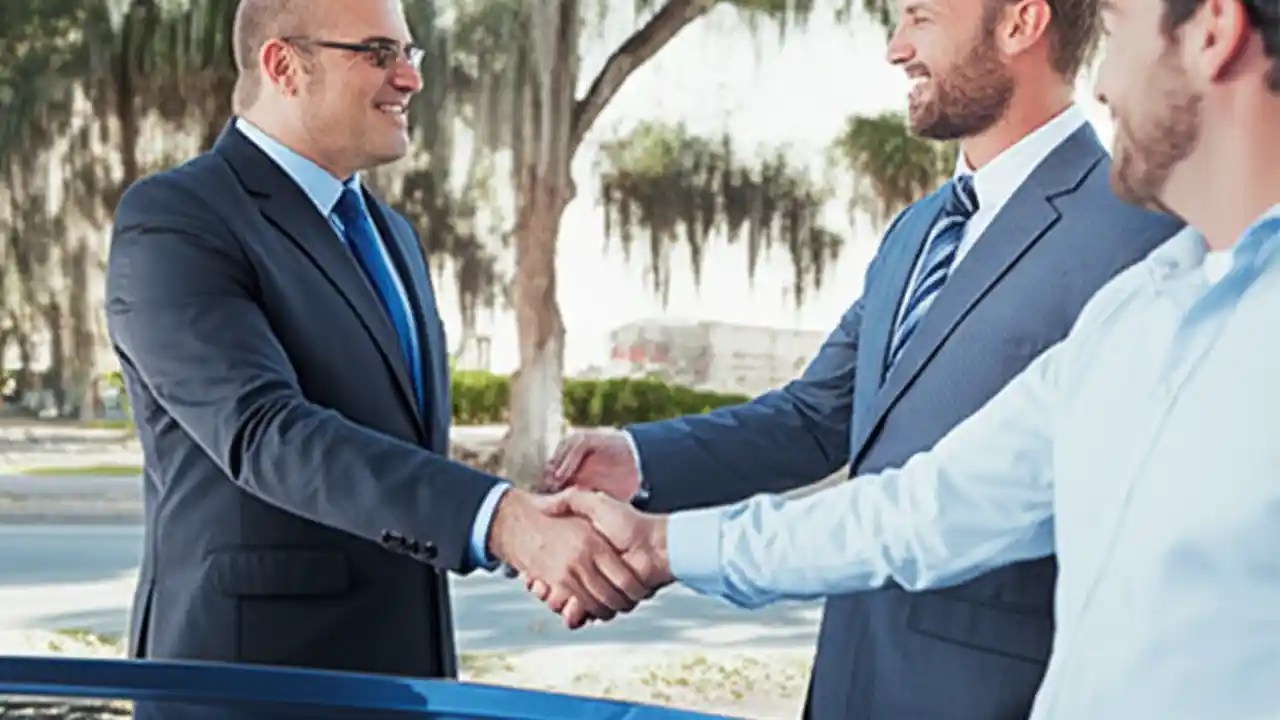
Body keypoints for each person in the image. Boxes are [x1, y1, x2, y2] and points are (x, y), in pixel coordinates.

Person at [539, 0, 1280, 716]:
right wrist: (651, 497)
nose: (896, 47)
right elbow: (888, 481)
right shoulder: (1096, 288)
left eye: (921, 16)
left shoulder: (1147, 237)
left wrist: (664, 547)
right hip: (851, 677)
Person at [104, 0, 646, 680]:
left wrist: (529, 509)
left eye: (409, 55)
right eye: (379, 53)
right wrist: (503, 522)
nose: (411, 79)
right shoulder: (178, 218)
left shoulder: (393, 237)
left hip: (406, 671)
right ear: (284, 65)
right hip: (254, 680)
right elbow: (265, 432)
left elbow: (393, 445)